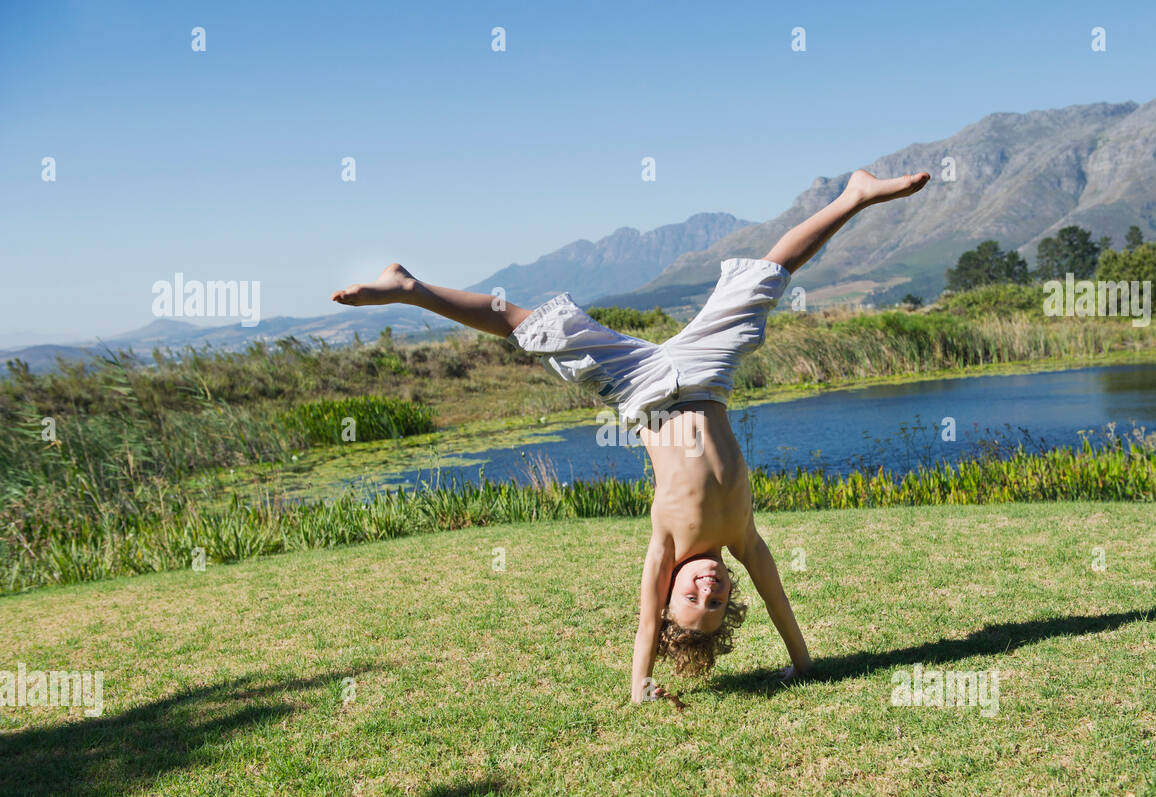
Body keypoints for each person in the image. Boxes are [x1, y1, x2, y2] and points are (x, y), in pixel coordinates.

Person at [332, 168, 931, 702]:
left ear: (669, 592)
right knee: (764, 280)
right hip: (702, 377)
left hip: (641, 389)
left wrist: (641, 682)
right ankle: (855, 195)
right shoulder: (745, 542)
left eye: (692, 600)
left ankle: (410, 287)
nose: (708, 591)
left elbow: (646, 625)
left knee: (532, 326)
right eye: (717, 603)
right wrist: (802, 664)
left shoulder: (666, 550)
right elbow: (779, 604)